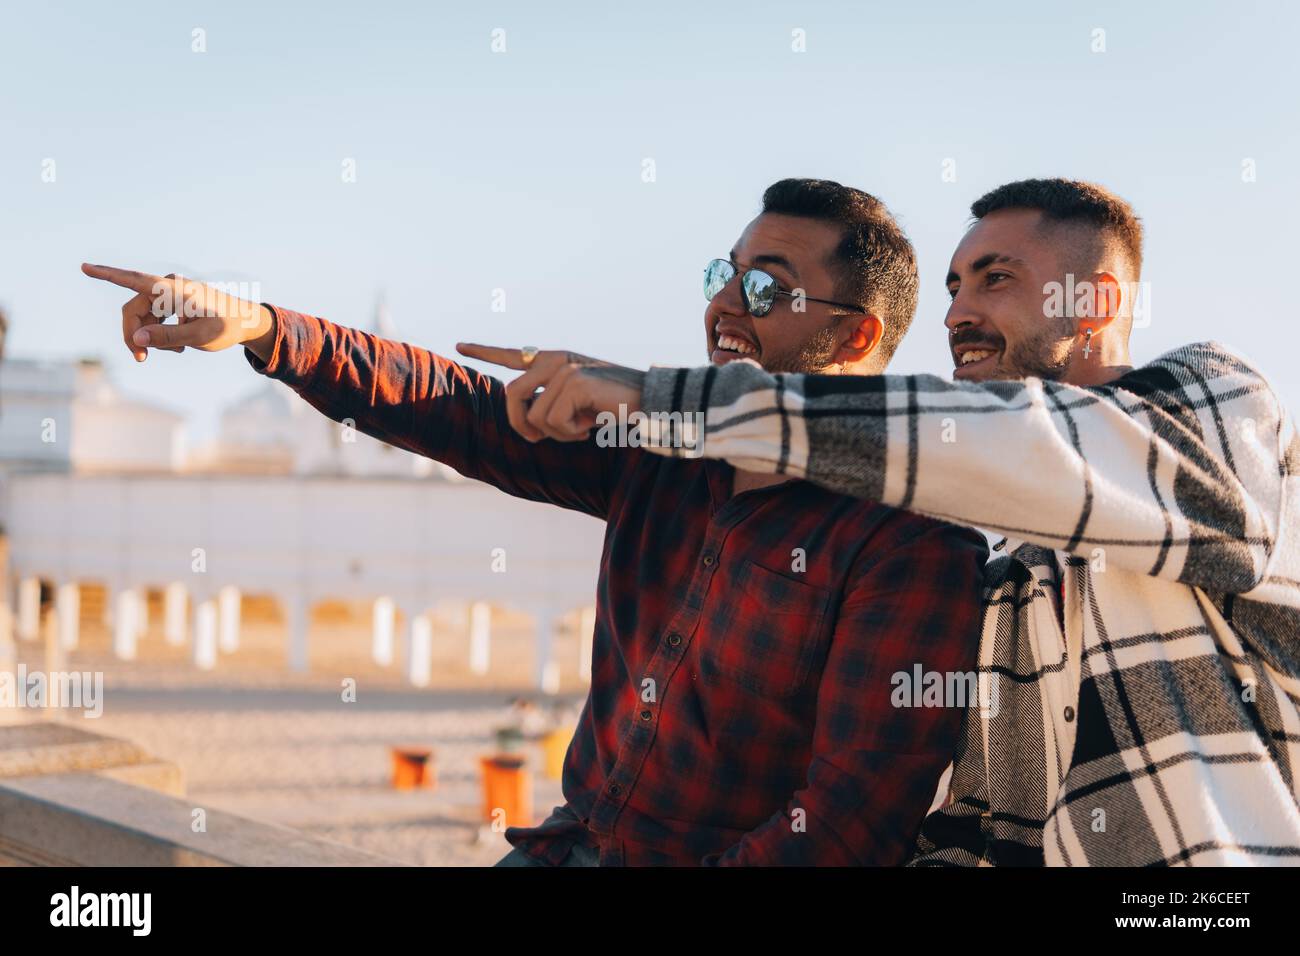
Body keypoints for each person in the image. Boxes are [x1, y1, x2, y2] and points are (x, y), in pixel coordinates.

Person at [82, 178, 988, 866]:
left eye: (763, 289)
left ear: (857, 337)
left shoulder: (911, 541)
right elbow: (459, 410)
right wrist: (264, 330)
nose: (722, 306)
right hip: (568, 843)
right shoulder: (663, 450)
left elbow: (850, 819)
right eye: (725, 275)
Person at [469, 178, 1300, 866]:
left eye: (995, 279)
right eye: (953, 287)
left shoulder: (1217, 407)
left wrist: (667, 399)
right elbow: (986, 822)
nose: (955, 314)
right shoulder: (1011, 572)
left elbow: (1035, 447)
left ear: (1094, 299)